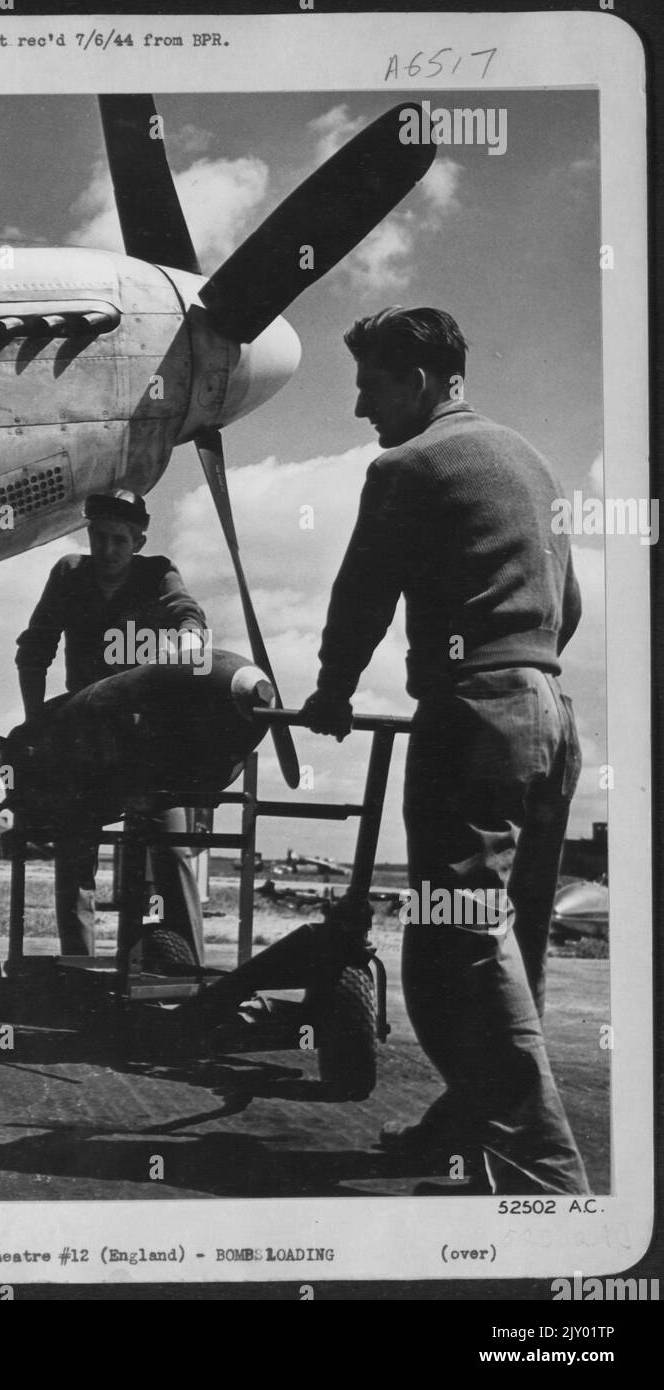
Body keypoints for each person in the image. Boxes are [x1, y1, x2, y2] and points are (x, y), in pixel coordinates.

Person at [300, 307, 590, 1196]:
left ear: (420, 383)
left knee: (454, 941)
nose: (359, 409)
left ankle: (540, 1165)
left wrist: (334, 690)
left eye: (369, 385)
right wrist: (520, 668)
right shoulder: (531, 460)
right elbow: (568, 602)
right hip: (549, 708)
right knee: (514, 939)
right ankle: (471, 1123)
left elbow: (363, 596)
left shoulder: (407, 465)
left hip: (472, 720)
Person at [15, 490, 207, 964]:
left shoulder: (157, 573)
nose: (107, 550)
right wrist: (35, 723)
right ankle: (78, 971)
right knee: (75, 854)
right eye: (98, 537)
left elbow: (189, 616)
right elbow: (34, 649)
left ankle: (190, 973)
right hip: (83, 736)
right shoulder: (68, 575)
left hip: (144, 741)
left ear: (138, 541)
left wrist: (187, 642)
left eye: (119, 540)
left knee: (172, 849)